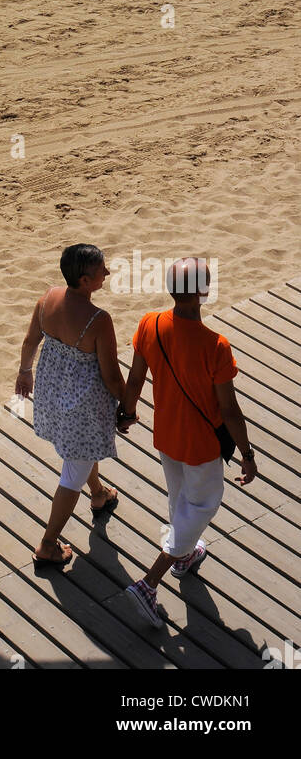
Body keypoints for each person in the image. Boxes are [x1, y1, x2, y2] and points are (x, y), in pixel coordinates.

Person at [120, 259, 257, 627]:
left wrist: (127, 413)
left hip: (166, 434)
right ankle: (149, 582)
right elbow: (229, 410)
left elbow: (134, 381)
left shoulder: (149, 324)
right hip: (201, 444)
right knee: (202, 505)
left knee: (179, 499)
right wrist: (247, 453)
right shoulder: (216, 346)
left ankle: (184, 555)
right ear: (202, 293)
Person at [15, 244, 128, 566]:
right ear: (84, 280)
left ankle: (98, 493)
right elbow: (111, 375)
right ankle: (47, 544)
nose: (106, 273)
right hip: (82, 405)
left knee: (81, 453)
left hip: (52, 393)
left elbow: (29, 342)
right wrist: (128, 404)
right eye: (101, 271)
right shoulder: (98, 319)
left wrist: (24, 373)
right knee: (72, 475)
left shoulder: (48, 298)